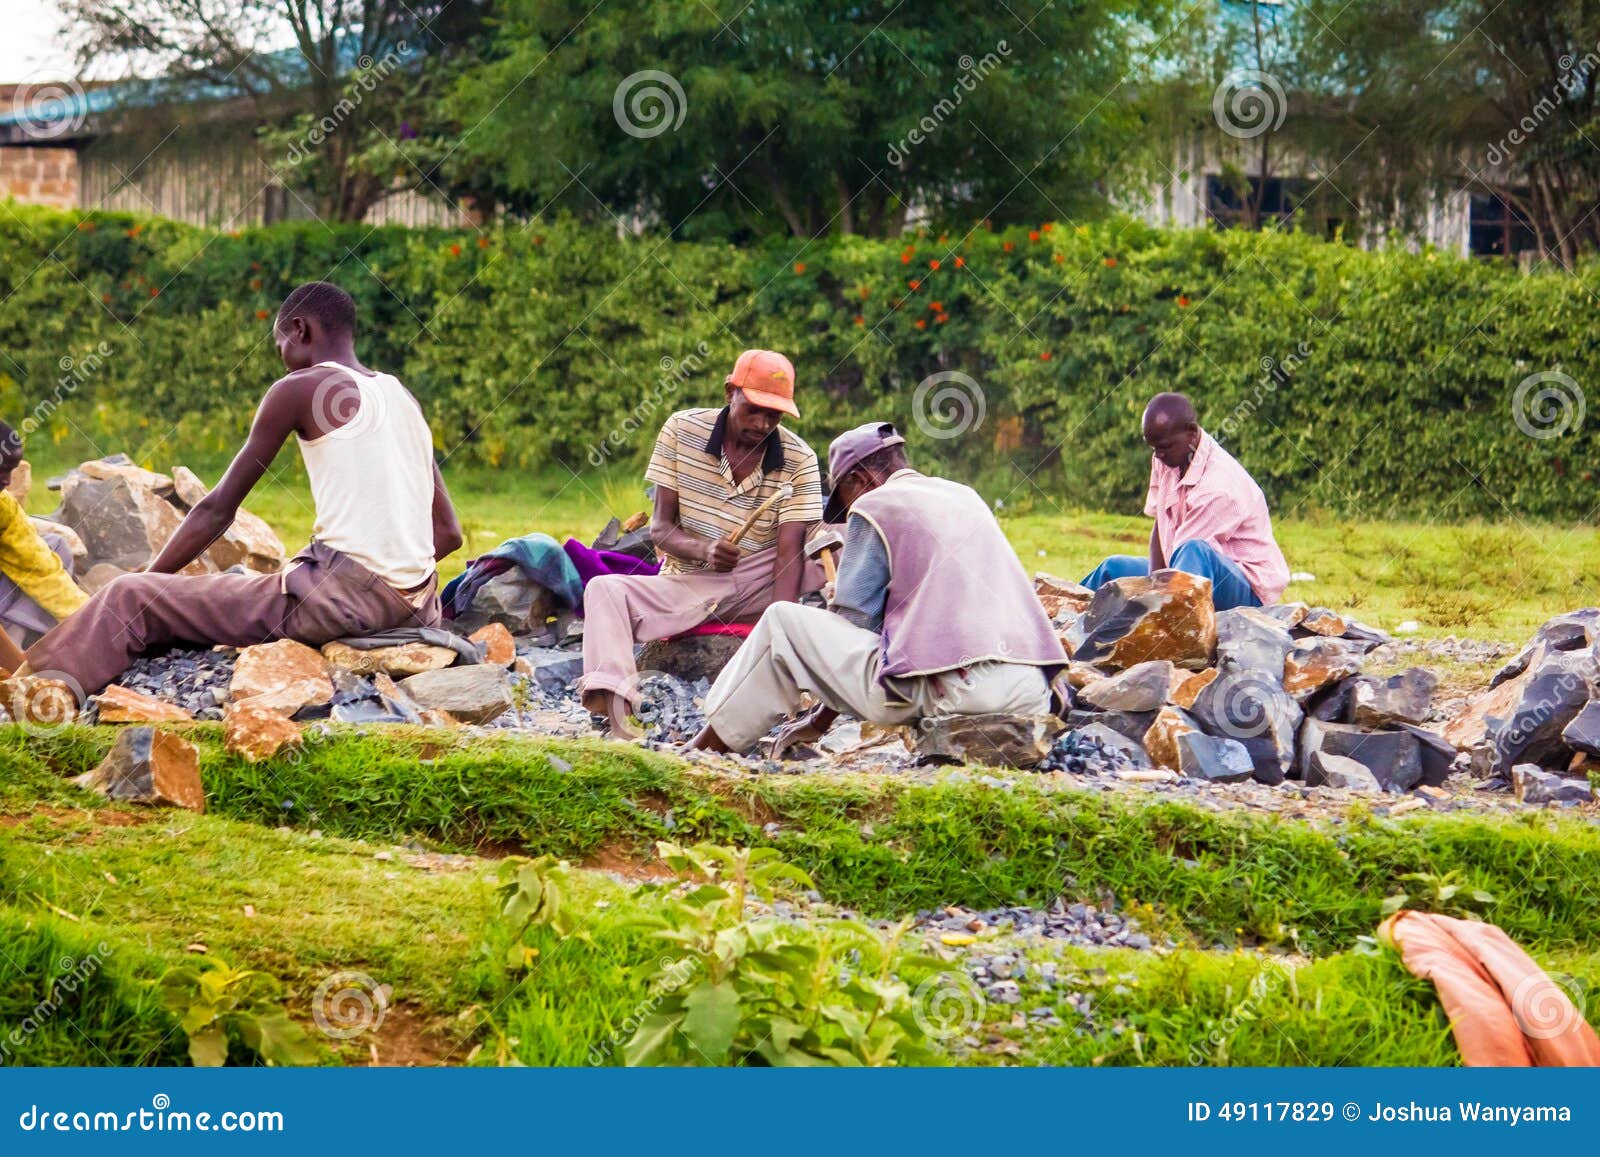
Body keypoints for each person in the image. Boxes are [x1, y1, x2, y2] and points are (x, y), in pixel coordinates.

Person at [17, 281, 463, 706]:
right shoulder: (402, 398)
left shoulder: (298, 389)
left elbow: (216, 510)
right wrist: (386, 583)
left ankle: (34, 692)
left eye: (280, 347)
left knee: (129, 595)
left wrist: (152, 581)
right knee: (236, 585)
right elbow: (448, 534)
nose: (283, 360)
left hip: (340, 604)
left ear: (299, 330)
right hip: (419, 611)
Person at [686, 421, 1067, 756]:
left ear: (860, 479)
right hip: (1032, 688)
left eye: (844, 497)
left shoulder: (876, 504)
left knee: (781, 622)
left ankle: (702, 750)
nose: (847, 512)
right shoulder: (965, 496)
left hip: (961, 690)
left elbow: (854, 626)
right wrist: (819, 724)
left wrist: (820, 705)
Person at [579, 349, 824, 737]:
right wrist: (705, 550)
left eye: (773, 416)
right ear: (730, 392)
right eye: (754, 410)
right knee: (602, 589)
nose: (762, 424)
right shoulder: (681, 430)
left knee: (837, 542)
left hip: (759, 579)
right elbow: (660, 529)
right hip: (688, 584)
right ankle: (617, 714)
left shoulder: (799, 458)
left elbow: (788, 557)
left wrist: (776, 638)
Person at [1082, 392, 1288, 610]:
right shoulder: (1168, 457)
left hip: (1245, 589)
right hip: (1184, 570)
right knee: (1112, 569)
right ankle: (1057, 621)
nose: (1158, 455)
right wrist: (1151, 583)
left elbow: (1187, 567)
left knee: (1194, 550)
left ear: (1191, 432)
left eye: (1163, 447)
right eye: (1153, 448)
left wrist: (1151, 602)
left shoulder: (1218, 487)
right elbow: (1160, 525)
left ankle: (1169, 628)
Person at [0, 422, 87, 672]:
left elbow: (41, 569)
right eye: (2, 470)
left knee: (55, 546)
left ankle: (16, 640)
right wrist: (19, 676)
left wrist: (92, 618)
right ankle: (9, 660)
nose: (7, 481)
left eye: (11, 471)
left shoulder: (3, 506)